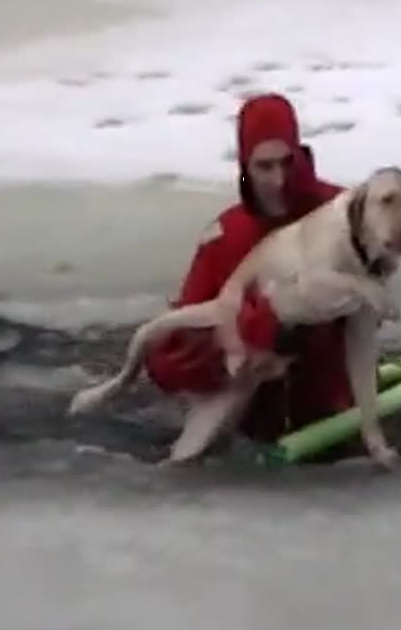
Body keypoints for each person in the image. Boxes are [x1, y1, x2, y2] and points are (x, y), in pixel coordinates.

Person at [143, 92, 356, 444]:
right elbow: (170, 358)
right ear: (245, 165)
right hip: (251, 417)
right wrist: (240, 347)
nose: (278, 180)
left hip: (329, 405)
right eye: (264, 166)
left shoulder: (343, 213)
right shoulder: (222, 238)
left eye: (287, 163)